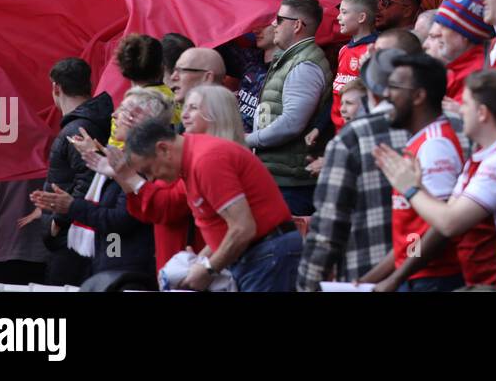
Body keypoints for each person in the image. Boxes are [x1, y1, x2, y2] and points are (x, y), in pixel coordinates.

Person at [375, 69, 496, 291]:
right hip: (482, 283)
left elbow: (450, 224)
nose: (459, 110)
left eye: (465, 104)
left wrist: (411, 189)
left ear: (482, 113)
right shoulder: (483, 155)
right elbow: (444, 214)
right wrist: (418, 187)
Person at [297, 34, 418, 289]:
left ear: (370, 89)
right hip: (431, 274)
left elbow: (328, 226)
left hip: (364, 272)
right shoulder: (453, 126)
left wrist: (308, 284)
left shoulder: (354, 137)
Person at [126, 119, 302, 291]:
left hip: (266, 255)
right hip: (261, 254)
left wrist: (208, 269)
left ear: (163, 149)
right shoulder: (194, 159)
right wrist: (198, 264)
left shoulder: (206, 160)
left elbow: (243, 228)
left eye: (148, 170)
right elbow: (227, 228)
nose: (151, 178)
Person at [31, 89, 169, 285]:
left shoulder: (140, 165)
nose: (113, 115)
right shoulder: (125, 160)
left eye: (122, 110)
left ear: (138, 118)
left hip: (127, 274)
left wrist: (71, 206)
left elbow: (120, 219)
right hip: (112, 266)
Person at [360, 55, 465, 292]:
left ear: (418, 96)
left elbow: (441, 228)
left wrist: (396, 279)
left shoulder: (435, 145)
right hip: (418, 278)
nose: (386, 95)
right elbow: (413, 236)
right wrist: (368, 281)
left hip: (434, 280)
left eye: (394, 88)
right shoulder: (421, 141)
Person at [248, 0, 333, 215]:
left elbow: (291, 123)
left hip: (291, 185)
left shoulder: (304, 64)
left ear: (296, 25)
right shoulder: (292, 58)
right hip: (282, 178)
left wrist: (246, 140)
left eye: (279, 18)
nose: (274, 24)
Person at [34, 57, 114, 286]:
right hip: (82, 235)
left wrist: (58, 221)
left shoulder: (77, 129)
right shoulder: (94, 122)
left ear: (56, 88)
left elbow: (88, 178)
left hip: (73, 239)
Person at [424, 0, 494, 99]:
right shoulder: (457, 67)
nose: (439, 33)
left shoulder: (477, 77)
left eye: (444, 26)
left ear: (464, 35)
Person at [329, 0, 379, 134]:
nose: (338, 17)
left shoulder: (374, 50)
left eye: (344, 12)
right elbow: (337, 92)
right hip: (338, 131)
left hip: (361, 131)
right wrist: (319, 127)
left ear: (361, 17)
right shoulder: (343, 50)